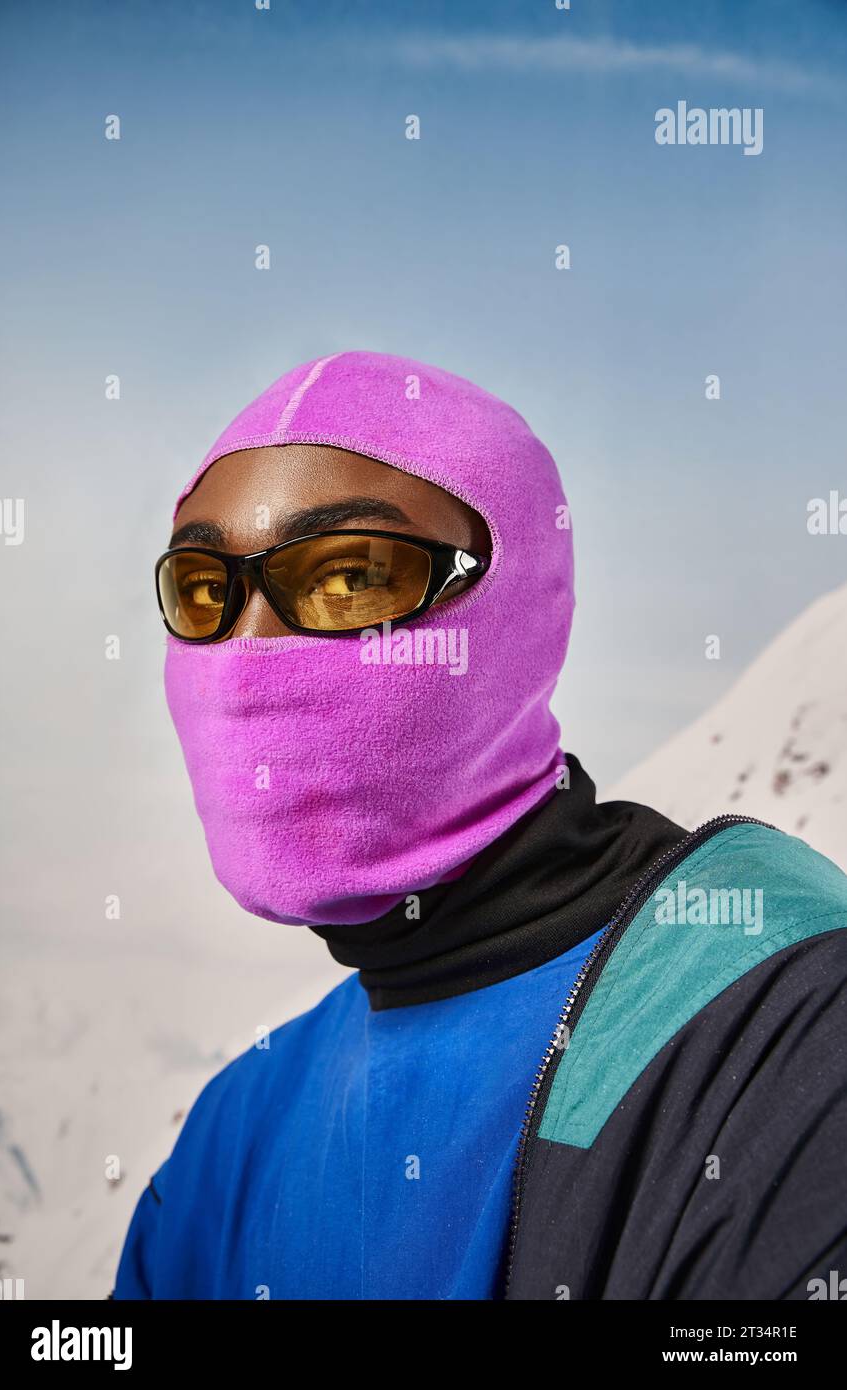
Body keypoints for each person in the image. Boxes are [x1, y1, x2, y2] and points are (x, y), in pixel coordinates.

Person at [112, 351, 847, 1300]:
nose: (249, 650)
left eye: (350, 577)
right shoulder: (237, 1129)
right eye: (207, 590)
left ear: (517, 616)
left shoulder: (774, 1025)